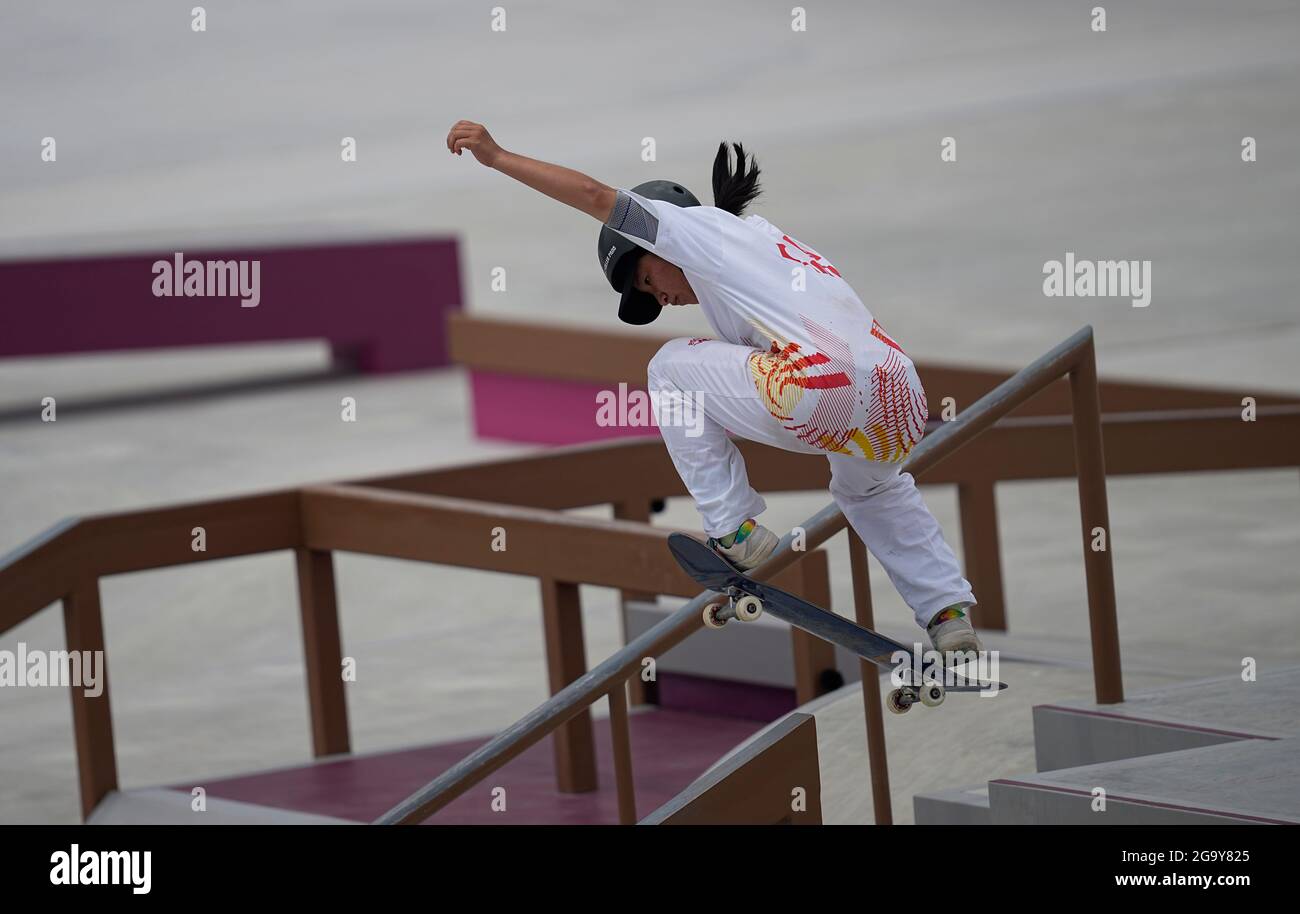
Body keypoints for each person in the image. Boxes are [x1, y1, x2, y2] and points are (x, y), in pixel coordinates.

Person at [446, 120, 982, 653]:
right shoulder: (768, 245)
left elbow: (593, 195)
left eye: (649, 282)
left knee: (667, 369)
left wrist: (497, 158)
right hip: (901, 394)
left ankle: (734, 531)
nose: (661, 300)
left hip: (820, 387)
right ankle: (947, 613)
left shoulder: (694, 230)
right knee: (871, 488)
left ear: (656, 243)